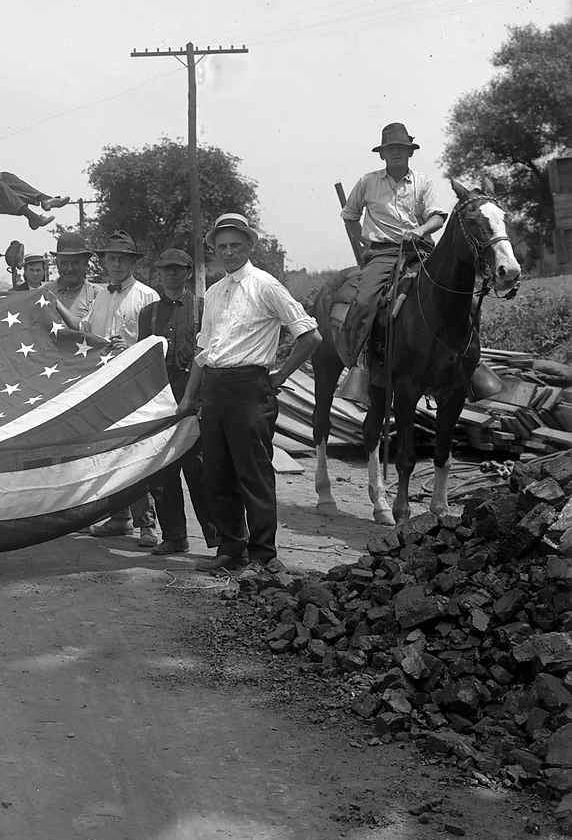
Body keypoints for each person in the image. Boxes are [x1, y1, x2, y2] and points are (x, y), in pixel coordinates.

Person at [179, 213, 320, 574]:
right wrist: (190, 398)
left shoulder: (266, 285)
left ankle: (263, 556)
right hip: (214, 389)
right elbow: (203, 350)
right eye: (222, 246)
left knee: (253, 474)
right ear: (214, 249)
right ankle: (231, 549)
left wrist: (279, 375)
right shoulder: (213, 292)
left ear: (249, 246)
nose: (228, 252)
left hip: (250, 388)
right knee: (217, 473)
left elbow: (310, 336)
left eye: (235, 245)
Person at [338, 122, 447, 369]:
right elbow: (350, 215)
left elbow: (438, 217)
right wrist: (363, 242)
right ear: (382, 154)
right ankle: (357, 360)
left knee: (455, 292)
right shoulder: (367, 182)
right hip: (383, 254)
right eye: (390, 149)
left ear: (410, 152)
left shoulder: (423, 182)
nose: (396, 152)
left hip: (420, 251)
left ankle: (466, 357)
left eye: (401, 148)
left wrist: (420, 230)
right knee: (364, 302)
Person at [136, 249, 215, 555]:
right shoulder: (149, 314)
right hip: (162, 403)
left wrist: (201, 401)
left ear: (188, 272)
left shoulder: (203, 308)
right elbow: (144, 360)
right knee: (163, 475)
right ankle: (174, 537)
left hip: (195, 404)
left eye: (177, 269)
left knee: (201, 472)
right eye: (165, 269)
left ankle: (220, 540)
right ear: (158, 273)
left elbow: (211, 355)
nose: (171, 274)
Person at [85, 231, 160, 543]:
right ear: (104, 261)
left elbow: (158, 344)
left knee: (136, 453)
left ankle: (147, 523)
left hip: (135, 386)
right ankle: (119, 517)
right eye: (111, 258)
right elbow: (86, 333)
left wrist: (131, 348)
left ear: (132, 263)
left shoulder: (147, 296)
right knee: (109, 453)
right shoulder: (99, 296)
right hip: (103, 386)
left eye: (122, 259)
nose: (116, 264)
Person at [44, 230, 98, 332]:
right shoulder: (44, 292)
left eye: (75, 263)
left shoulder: (97, 295)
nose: (69, 269)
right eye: (64, 263)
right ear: (57, 263)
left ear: (85, 264)